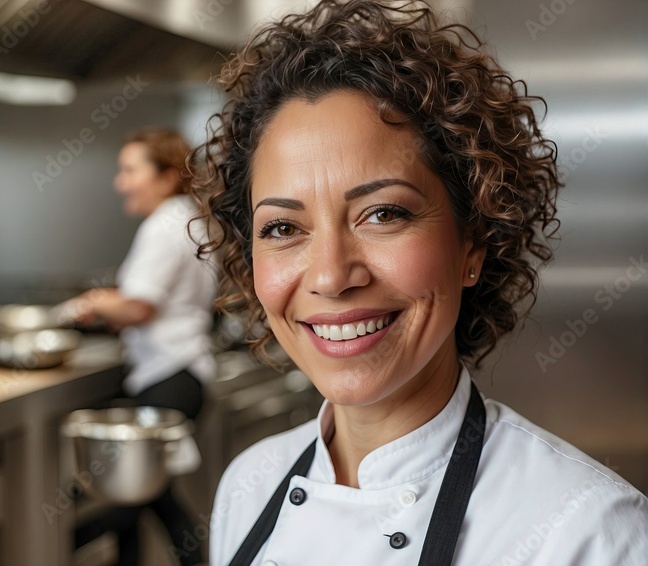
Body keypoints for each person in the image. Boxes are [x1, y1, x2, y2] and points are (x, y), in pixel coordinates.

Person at [189, 2, 648, 565]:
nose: (332, 276)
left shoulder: (587, 532)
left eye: (383, 214)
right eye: (283, 227)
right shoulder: (249, 485)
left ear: (472, 242)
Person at [65, 128, 217, 566]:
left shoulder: (164, 224)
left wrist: (95, 303)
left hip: (168, 376)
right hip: (179, 375)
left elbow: (139, 308)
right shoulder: (184, 217)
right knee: (151, 496)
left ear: (167, 177)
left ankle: (55, 543)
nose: (121, 182)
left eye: (131, 170)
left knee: (126, 497)